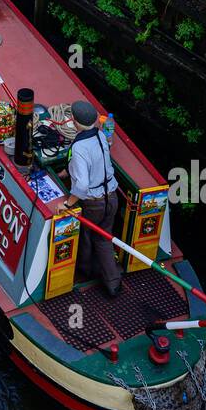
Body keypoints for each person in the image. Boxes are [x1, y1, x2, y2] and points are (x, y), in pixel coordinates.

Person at [65, 100, 122, 298]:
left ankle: (83, 272)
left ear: (74, 121)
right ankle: (113, 282)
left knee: (86, 237)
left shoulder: (79, 147)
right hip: (111, 198)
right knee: (104, 237)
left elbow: (81, 186)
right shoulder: (101, 135)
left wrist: (67, 204)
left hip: (93, 204)